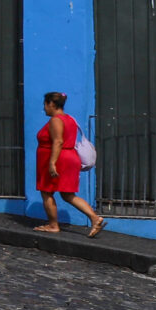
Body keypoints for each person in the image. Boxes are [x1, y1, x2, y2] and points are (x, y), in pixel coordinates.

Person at [35, 91, 105, 237]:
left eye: (45, 104)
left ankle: (53, 225)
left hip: (59, 159)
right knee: (68, 194)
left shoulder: (56, 120)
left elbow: (58, 141)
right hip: (69, 158)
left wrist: (52, 163)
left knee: (46, 192)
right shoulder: (70, 119)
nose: (44, 108)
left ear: (52, 104)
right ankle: (95, 218)